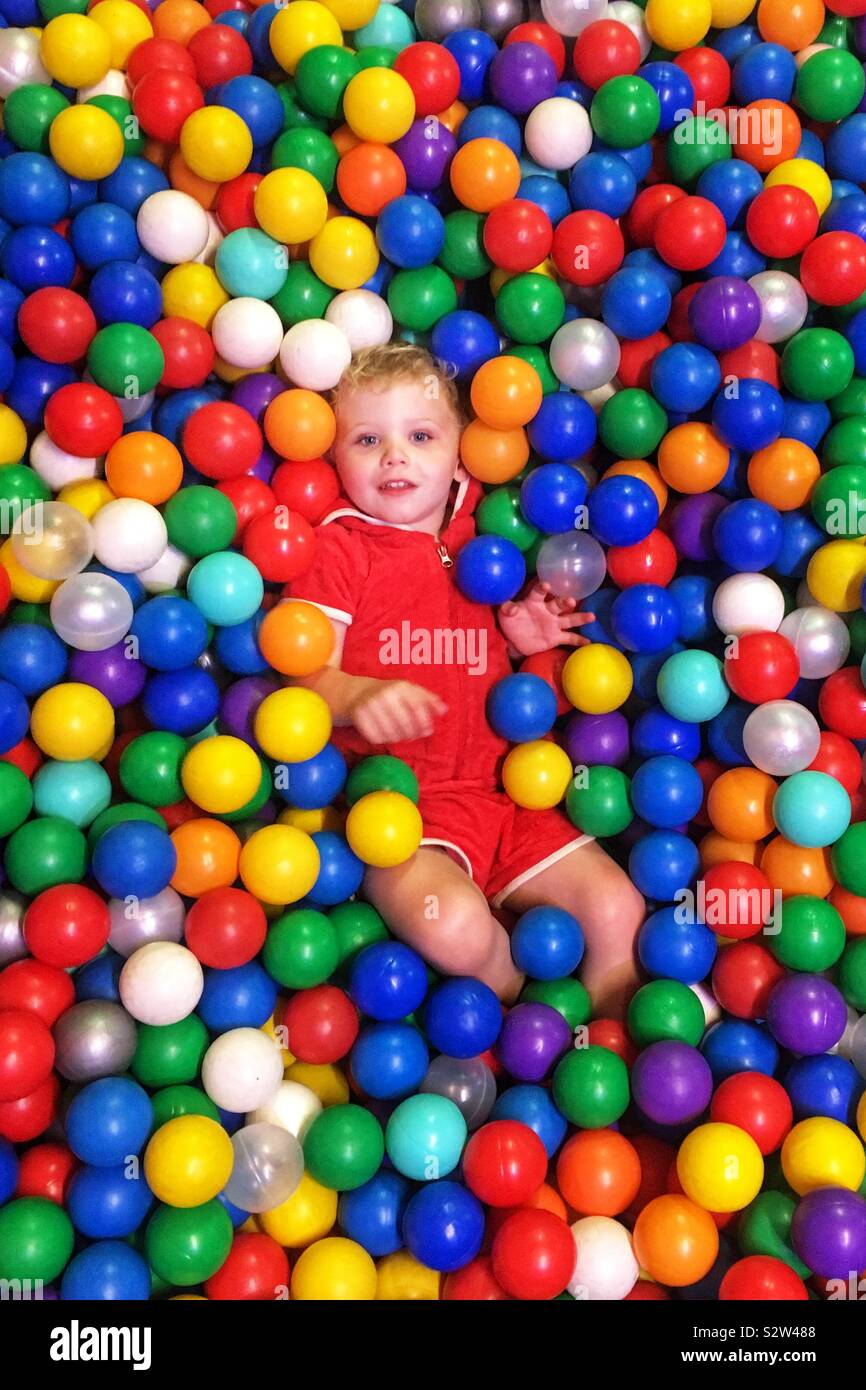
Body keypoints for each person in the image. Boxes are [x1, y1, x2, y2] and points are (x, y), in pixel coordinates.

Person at [287, 343, 644, 1016]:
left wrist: (523, 641)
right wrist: (355, 694)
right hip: (401, 813)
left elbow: (497, 665)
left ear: (460, 450)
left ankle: (604, 1043)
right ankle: (520, 1019)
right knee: (450, 924)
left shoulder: (487, 529)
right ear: (334, 457)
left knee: (616, 905)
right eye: (367, 440)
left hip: (508, 791)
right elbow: (305, 674)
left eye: (420, 436)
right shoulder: (341, 547)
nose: (395, 455)